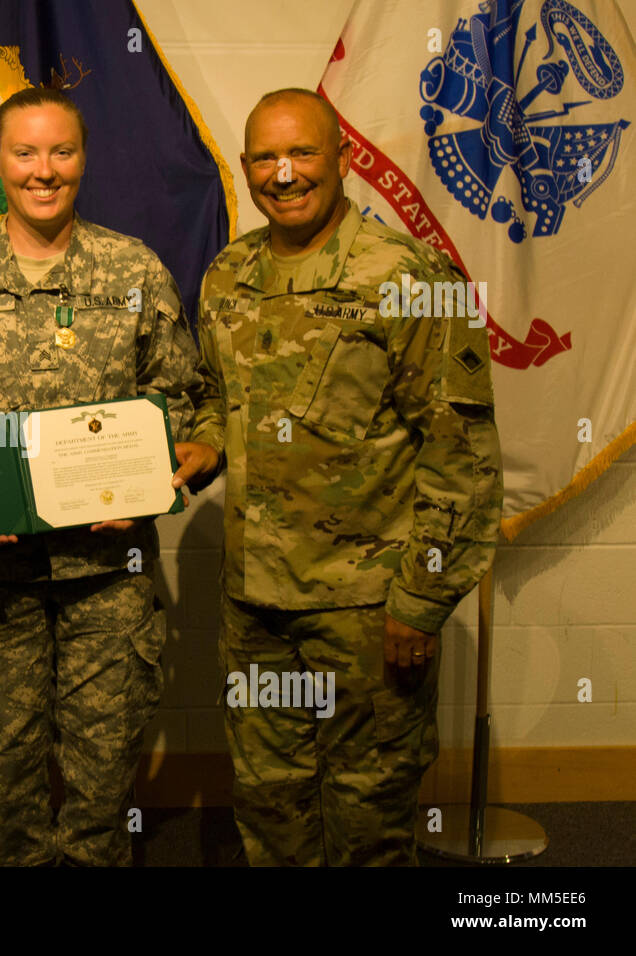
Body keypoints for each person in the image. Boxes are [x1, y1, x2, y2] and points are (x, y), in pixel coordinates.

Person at [0, 87, 210, 866]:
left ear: (83, 158)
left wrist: (152, 480)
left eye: (61, 151)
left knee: (103, 788)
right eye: (24, 153)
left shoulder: (134, 270)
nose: (44, 170)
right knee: (8, 791)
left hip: (109, 574)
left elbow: (180, 397)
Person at [183, 88, 502, 865]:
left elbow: (462, 455)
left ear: (342, 160)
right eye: (264, 157)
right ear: (246, 167)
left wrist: (422, 601)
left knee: (367, 818)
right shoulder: (227, 276)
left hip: (367, 614)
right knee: (268, 803)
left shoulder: (409, 276)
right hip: (255, 608)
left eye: (302, 154)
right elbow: (215, 403)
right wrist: (198, 445)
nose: (283, 174)